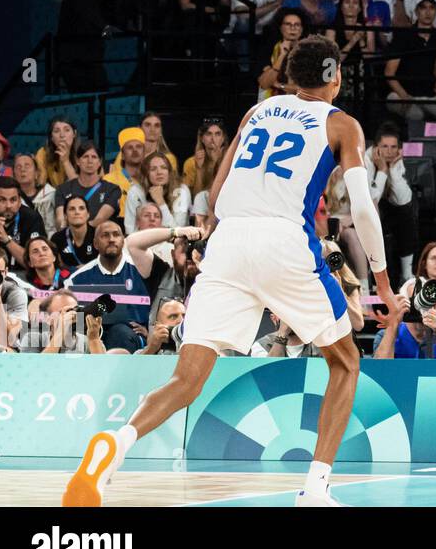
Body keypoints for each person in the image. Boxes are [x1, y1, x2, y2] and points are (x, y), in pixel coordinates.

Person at [63, 35, 399, 508]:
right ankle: (316, 490)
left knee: (187, 379)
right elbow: (363, 210)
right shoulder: (342, 124)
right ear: (335, 77)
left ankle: (116, 445)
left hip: (227, 243)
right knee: (344, 362)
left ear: (287, 77)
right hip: (284, 241)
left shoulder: (255, 113)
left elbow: (216, 197)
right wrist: (381, 278)